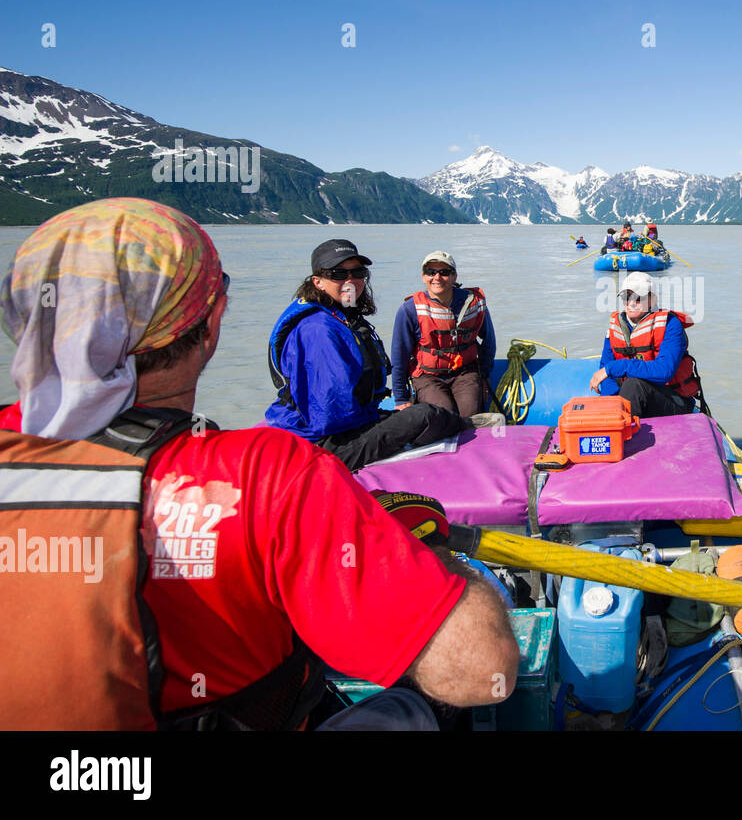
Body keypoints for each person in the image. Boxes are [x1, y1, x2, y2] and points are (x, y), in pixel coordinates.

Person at [0, 198, 518, 730]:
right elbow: (481, 670)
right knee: (414, 707)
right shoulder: (272, 477)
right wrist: (421, 552)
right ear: (212, 321)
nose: (351, 281)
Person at [265, 240, 496, 471]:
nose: (351, 281)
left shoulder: (337, 317)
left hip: (344, 426)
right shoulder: (319, 330)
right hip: (322, 445)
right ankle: (464, 427)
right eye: (338, 274)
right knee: (425, 417)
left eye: (358, 273)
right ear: (318, 282)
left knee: (426, 416)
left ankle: (463, 425)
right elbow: (330, 415)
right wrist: (392, 416)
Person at [391, 251, 497, 418]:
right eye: (431, 272)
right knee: (442, 415)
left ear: (454, 276)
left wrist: (483, 373)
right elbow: (399, 355)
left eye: (444, 272)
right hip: (427, 376)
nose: (437, 277)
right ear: (423, 277)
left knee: (470, 415)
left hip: (464, 372)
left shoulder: (474, 303)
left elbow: (489, 341)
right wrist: (400, 397)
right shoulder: (410, 309)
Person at [588, 271, 702, 418]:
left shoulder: (671, 325)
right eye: (626, 296)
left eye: (638, 298)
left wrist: (618, 367)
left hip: (673, 399)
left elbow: (664, 372)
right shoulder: (615, 328)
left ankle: (626, 434)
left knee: (633, 385)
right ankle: (612, 426)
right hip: (634, 396)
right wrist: (609, 403)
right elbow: (606, 370)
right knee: (619, 391)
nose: (631, 302)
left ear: (652, 299)